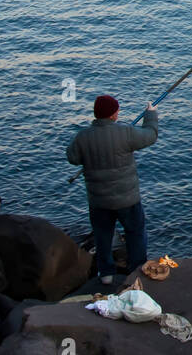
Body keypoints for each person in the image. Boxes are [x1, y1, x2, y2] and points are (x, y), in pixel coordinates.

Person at [66, 95, 159, 283]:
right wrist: (151, 115)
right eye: (117, 110)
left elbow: (73, 158)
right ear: (113, 115)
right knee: (135, 233)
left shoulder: (83, 137)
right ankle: (136, 269)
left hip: (99, 201)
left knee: (102, 235)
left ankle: (106, 273)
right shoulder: (126, 132)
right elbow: (151, 135)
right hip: (127, 199)